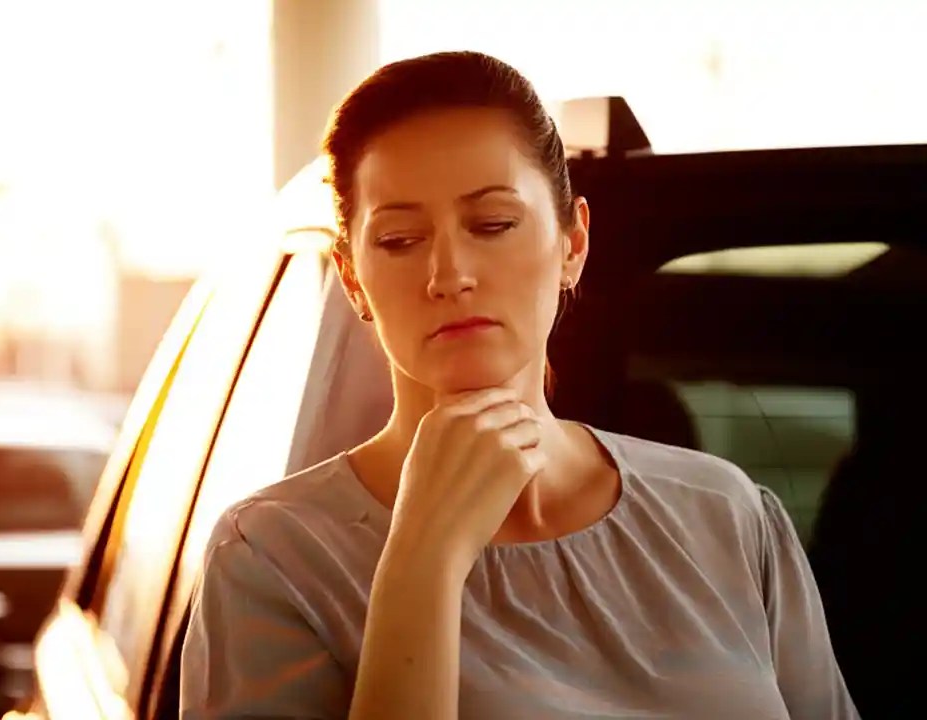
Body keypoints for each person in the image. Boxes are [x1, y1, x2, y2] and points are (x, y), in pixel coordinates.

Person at [180, 51, 857, 719]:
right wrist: (424, 555)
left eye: (492, 224)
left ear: (573, 243)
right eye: (400, 239)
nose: (449, 273)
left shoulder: (723, 516)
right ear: (352, 277)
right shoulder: (274, 558)